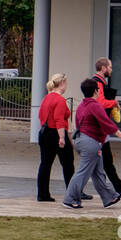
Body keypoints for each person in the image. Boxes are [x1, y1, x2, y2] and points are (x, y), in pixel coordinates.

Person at [64, 77, 121, 209]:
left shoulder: (82, 105)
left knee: (98, 171)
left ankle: (109, 198)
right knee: (83, 172)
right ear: (96, 91)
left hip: (82, 140)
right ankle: (70, 198)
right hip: (90, 142)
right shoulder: (95, 106)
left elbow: (78, 124)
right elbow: (107, 124)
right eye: (99, 90)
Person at [91, 58, 121, 196]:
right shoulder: (98, 82)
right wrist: (114, 103)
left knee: (105, 162)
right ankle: (117, 189)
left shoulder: (99, 82)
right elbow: (100, 102)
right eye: (110, 67)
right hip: (99, 128)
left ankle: (119, 188)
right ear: (103, 68)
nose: (111, 70)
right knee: (99, 163)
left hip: (101, 127)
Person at [36, 73, 75, 202]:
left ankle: (42, 194)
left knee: (45, 164)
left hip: (44, 132)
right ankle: (72, 192)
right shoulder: (60, 100)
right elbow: (59, 120)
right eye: (66, 83)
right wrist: (62, 137)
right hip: (55, 133)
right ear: (62, 83)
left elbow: (41, 116)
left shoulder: (46, 98)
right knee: (68, 163)